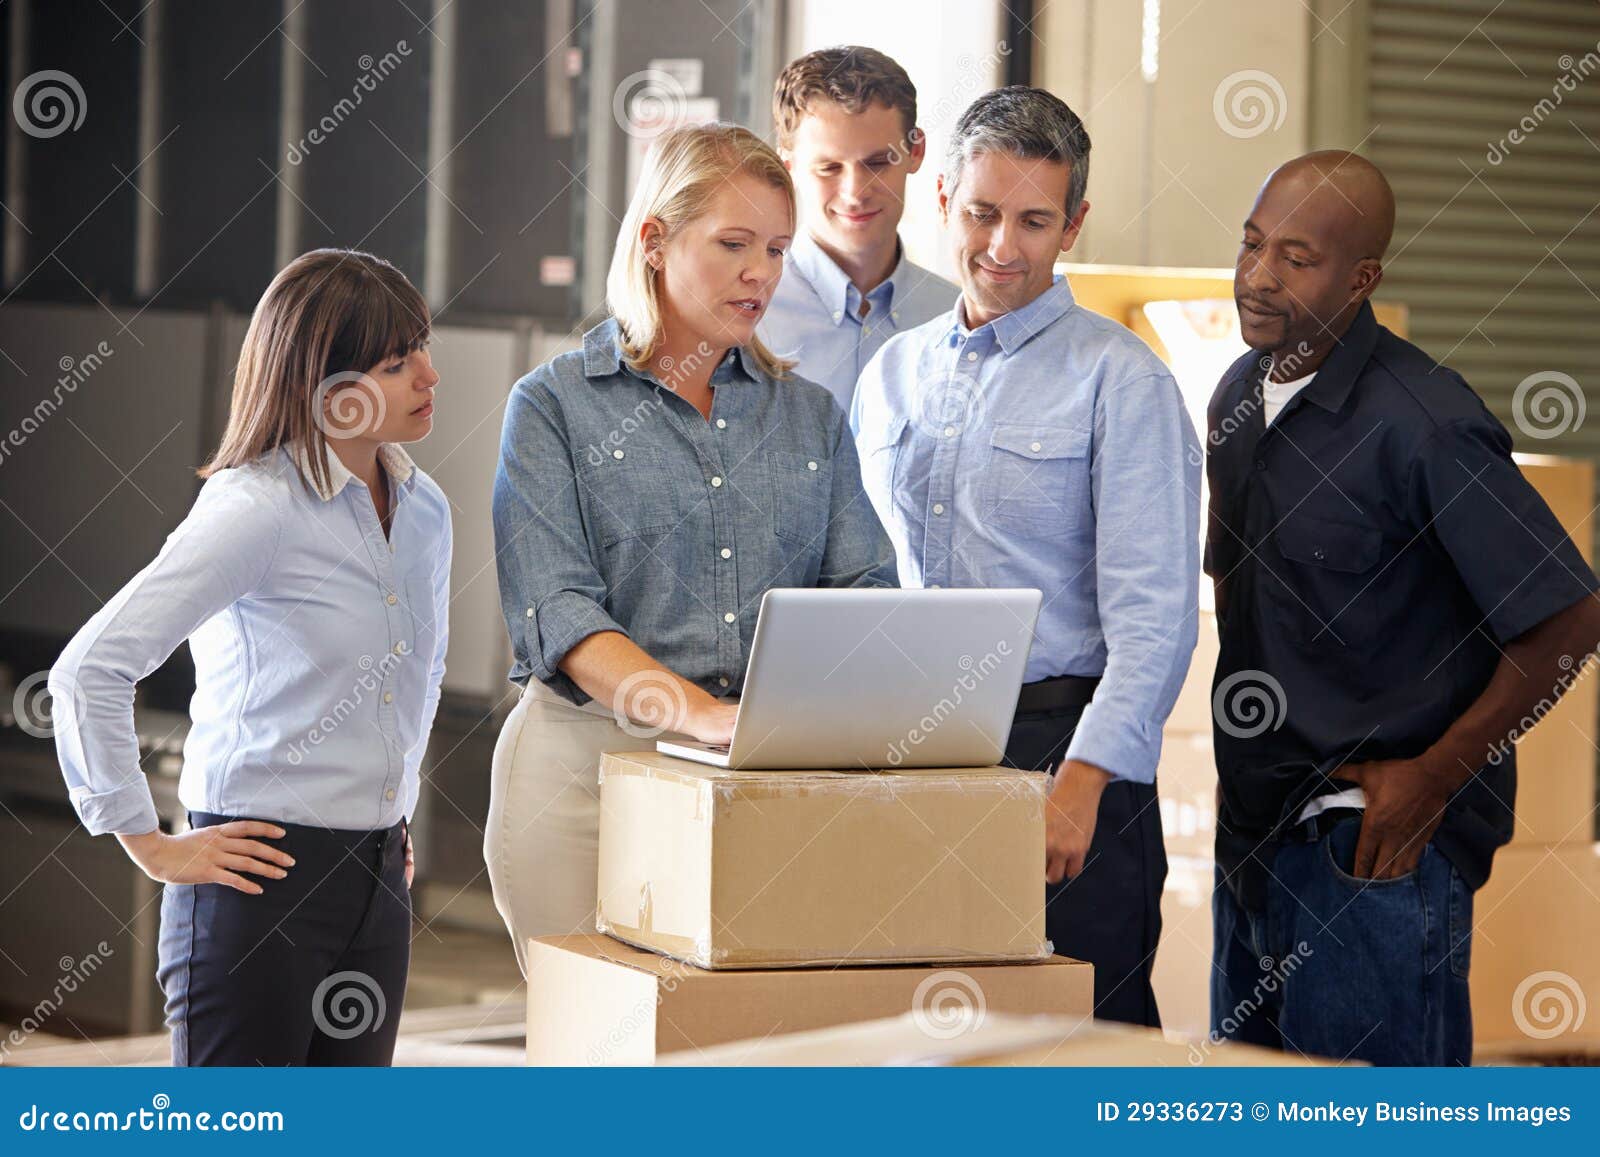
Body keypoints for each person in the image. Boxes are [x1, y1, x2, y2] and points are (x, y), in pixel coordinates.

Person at [1204, 150, 1600, 1066]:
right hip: (1254, 837)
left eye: (1296, 259)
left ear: (1362, 277)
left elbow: (1571, 617)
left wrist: (1436, 774)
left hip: (1369, 850)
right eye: (1252, 244)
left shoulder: (1424, 422)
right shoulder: (1237, 396)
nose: (1258, 277)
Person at [486, 123, 897, 972]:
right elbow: (557, 609)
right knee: (596, 1063)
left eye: (779, 249)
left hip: (752, 780)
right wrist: (699, 713)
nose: (762, 273)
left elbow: (865, 587)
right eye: (734, 244)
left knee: (733, 1061)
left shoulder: (810, 415)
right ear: (655, 242)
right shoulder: (554, 406)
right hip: (583, 782)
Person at [49, 249, 451, 1065]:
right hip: (256, 883)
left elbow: (419, 677)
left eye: (422, 347)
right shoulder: (257, 508)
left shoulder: (425, 509)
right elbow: (90, 668)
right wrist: (148, 842)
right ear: (327, 386)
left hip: (377, 879)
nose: (429, 374)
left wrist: (391, 808)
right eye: (397, 360)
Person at [851, 87, 1200, 1027]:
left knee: (1083, 1051)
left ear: (1073, 224)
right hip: (917, 755)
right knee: (930, 1044)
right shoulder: (888, 375)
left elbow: (1155, 622)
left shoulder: (1123, 383)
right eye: (982, 212)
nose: (1003, 244)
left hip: (1063, 755)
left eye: (1035, 220)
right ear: (942, 203)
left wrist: (1079, 787)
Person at [759, 45, 956, 412]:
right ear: (789, 167)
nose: (855, 192)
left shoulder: (956, 318)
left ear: (916, 152)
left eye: (878, 162)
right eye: (829, 168)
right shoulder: (746, 315)